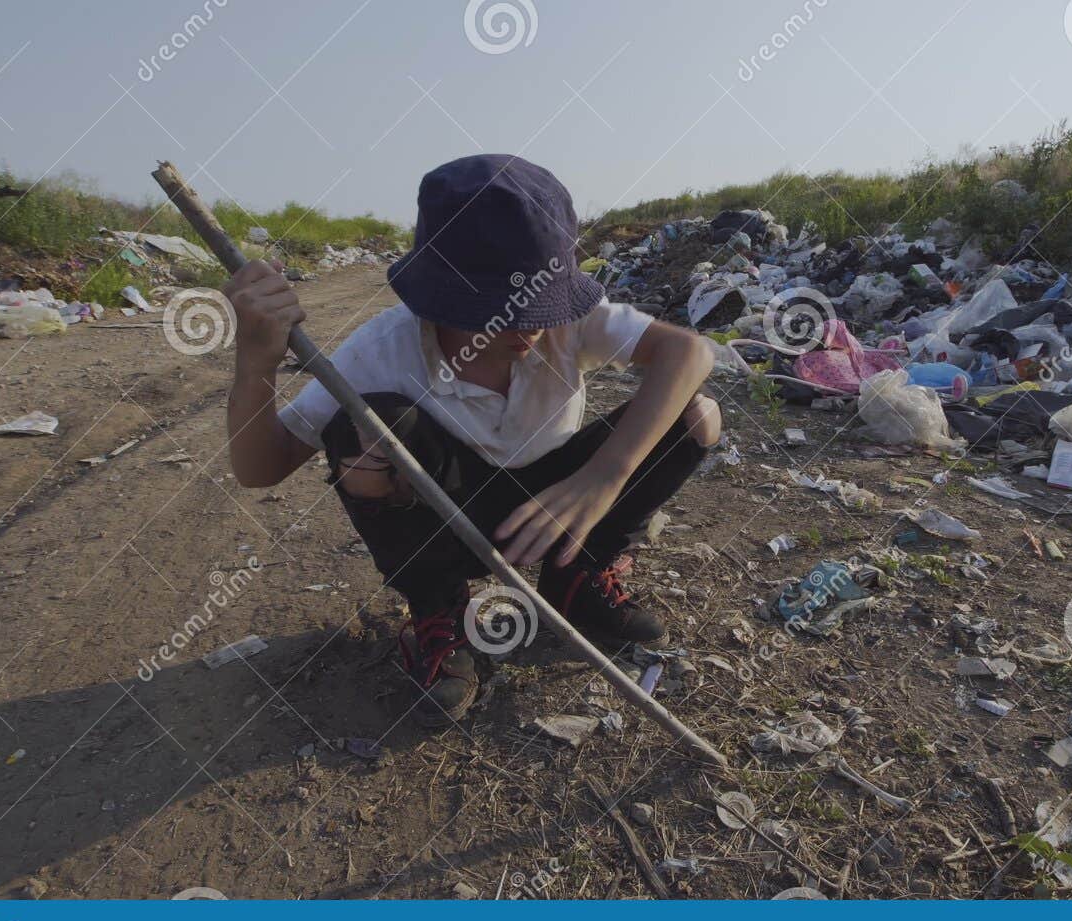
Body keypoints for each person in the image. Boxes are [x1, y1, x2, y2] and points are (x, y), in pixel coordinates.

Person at [223, 154, 720, 726]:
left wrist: (601, 478)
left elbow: (691, 353)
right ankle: (438, 607)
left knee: (697, 415)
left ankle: (578, 576)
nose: (530, 327)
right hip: (452, 514)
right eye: (501, 312)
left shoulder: (569, 324)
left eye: (542, 303)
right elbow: (261, 467)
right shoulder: (381, 351)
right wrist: (254, 361)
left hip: (558, 507)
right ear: (439, 296)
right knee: (362, 434)